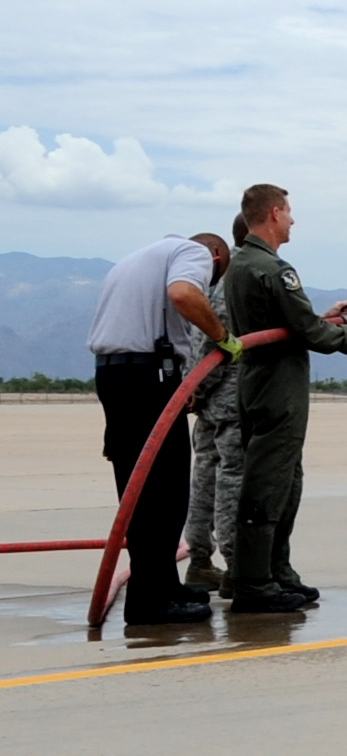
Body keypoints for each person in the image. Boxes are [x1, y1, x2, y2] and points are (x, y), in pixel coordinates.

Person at [224, 184, 347, 613]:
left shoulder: (242, 264)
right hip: (278, 387)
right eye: (290, 211)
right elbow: (311, 336)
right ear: (274, 214)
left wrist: (326, 317)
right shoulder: (274, 269)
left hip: (259, 382)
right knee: (268, 483)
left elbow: (293, 323)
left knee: (285, 480)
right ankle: (254, 582)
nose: (293, 219)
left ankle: (275, 572)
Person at [85, 231, 240, 625]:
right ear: (218, 256)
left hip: (120, 377)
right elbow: (184, 295)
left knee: (144, 490)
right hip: (145, 378)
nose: (211, 283)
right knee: (162, 492)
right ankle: (150, 600)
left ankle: (161, 585)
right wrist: (223, 338)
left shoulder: (138, 257)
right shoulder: (195, 253)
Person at [182, 213, 252, 592]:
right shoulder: (234, 275)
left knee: (205, 477)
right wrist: (200, 387)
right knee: (227, 481)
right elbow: (214, 341)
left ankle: (200, 560)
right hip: (225, 398)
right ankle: (232, 564)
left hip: (208, 396)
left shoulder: (209, 278)